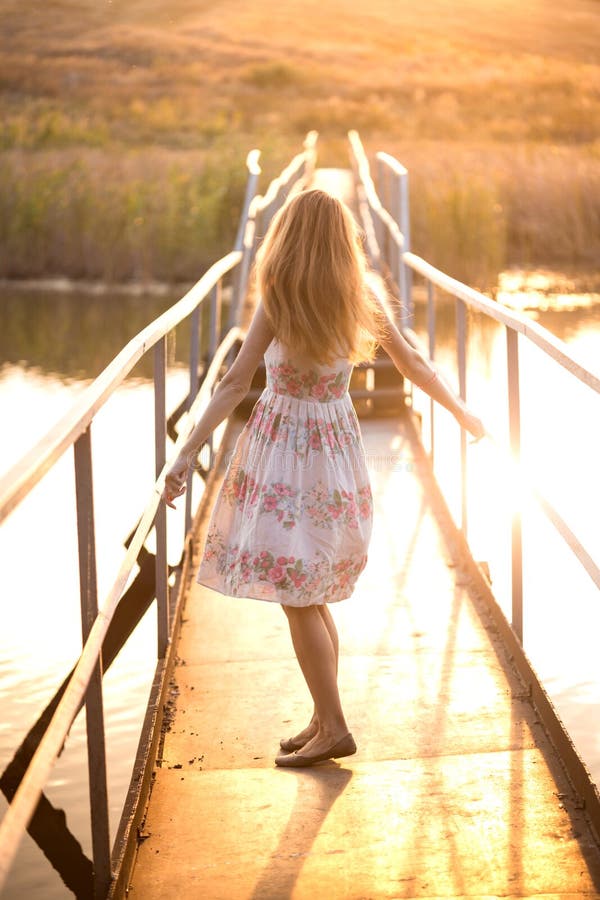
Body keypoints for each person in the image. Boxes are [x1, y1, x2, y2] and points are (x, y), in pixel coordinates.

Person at [163, 189, 485, 768]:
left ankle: (335, 726)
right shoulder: (360, 296)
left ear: (287, 237)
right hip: (334, 453)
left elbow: (234, 383)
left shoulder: (279, 296)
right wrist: (461, 410)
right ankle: (322, 717)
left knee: (298, 594)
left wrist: (185, 453)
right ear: (344, 243)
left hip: (284, 454)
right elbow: (413, 362)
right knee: (308, 589)